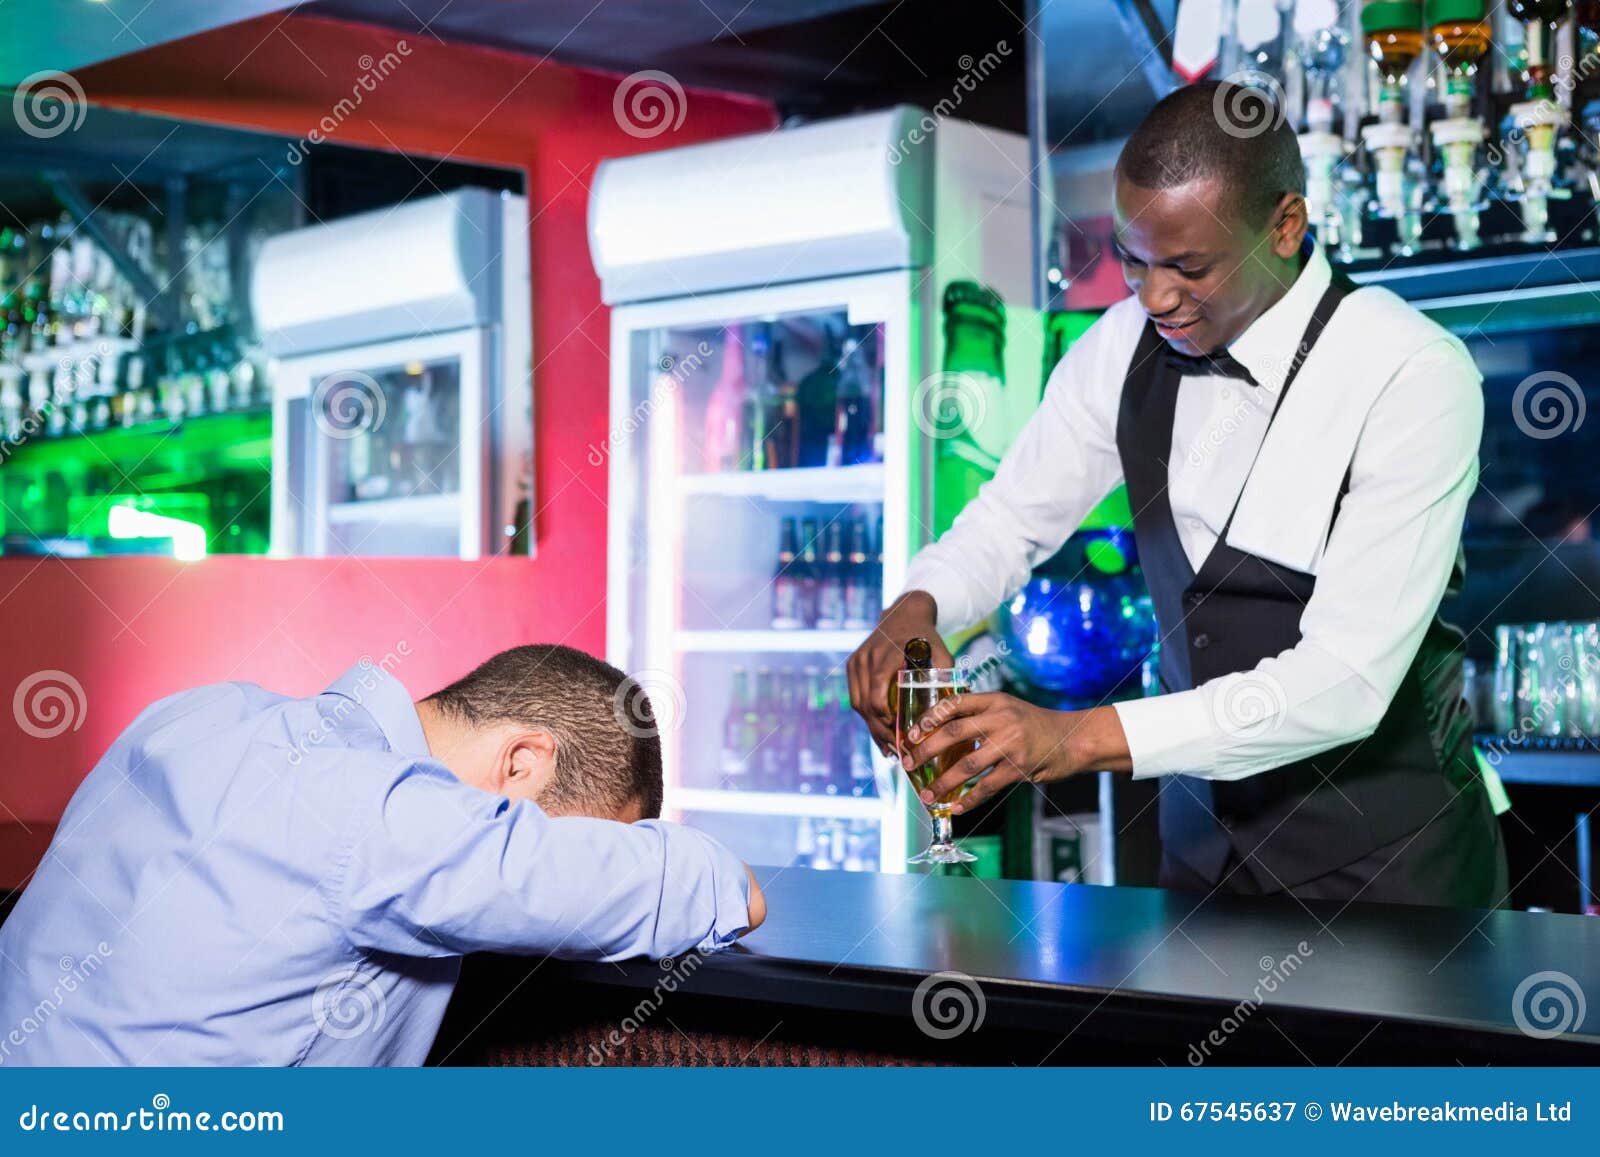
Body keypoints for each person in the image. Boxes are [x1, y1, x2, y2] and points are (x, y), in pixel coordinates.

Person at [849, 81, 1507, 909]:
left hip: (1392, 872)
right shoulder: (1119, 345)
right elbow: (1013, 518)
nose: (1154, 295)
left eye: (1188, 267)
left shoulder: (1411, 373)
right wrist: (916, 607)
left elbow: (1345, 681)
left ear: (1286, 226)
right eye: (1132, 260)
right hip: (1199, 863)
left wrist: (1074, 737)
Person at [0, 645, 763, 1065]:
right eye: (582, 836)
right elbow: (715, 888)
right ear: (524, 761)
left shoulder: (205, 710)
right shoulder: (393, 817)